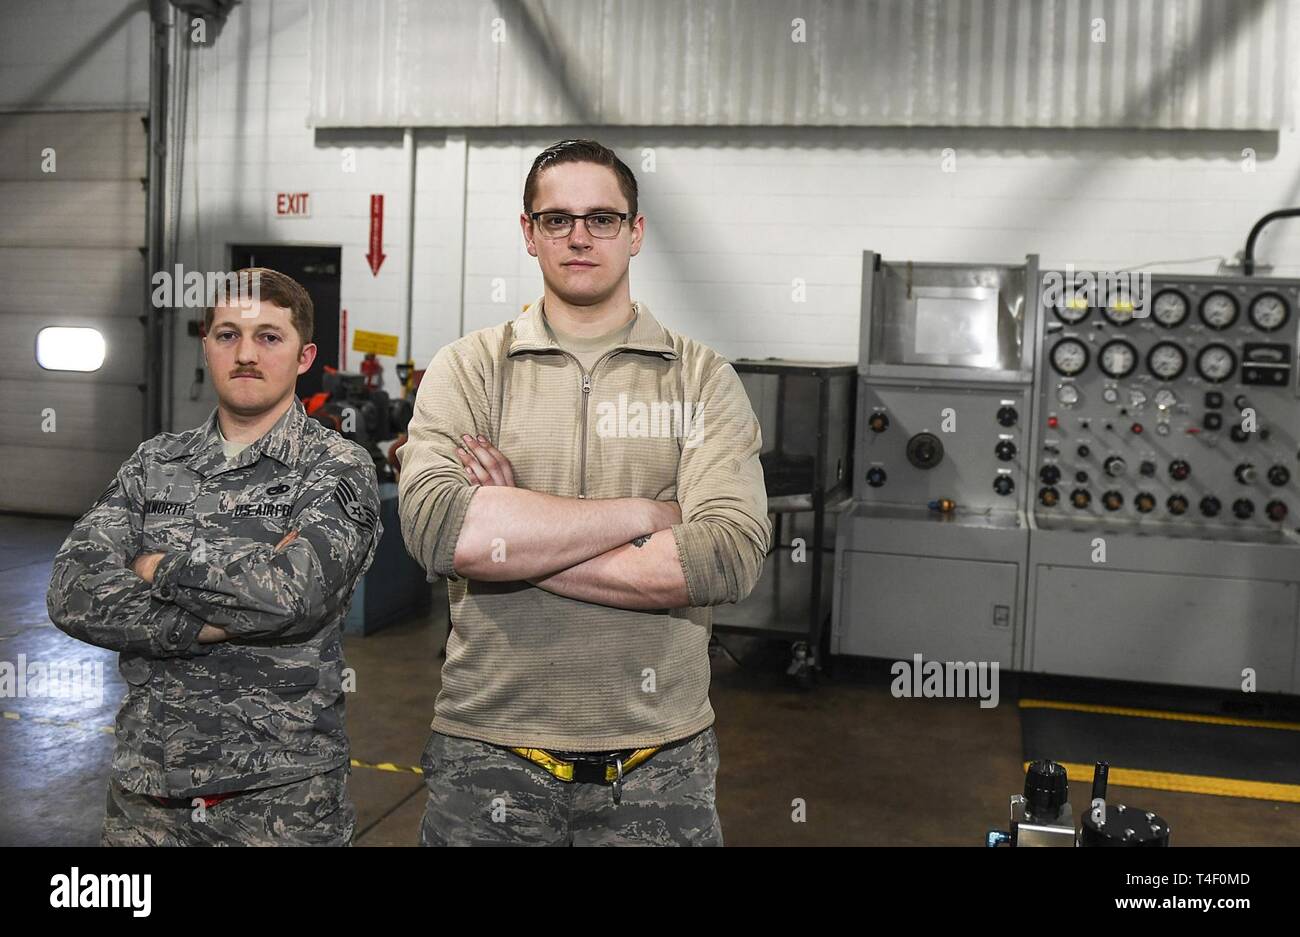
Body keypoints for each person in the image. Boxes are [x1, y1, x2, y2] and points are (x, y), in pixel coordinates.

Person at [398, 139, 771, 846]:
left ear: (635, 231)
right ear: (528, 232)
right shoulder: (470, 368)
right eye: (556, 218)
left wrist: (512, 533)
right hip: (487, 757)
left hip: (660, 764)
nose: (578, 235)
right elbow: (437, 530)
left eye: (602, 218)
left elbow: (725, 556)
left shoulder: (701, 378)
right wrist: (647, 517)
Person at [47, 267, 381, 846]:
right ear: (206, 346)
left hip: (280, 803)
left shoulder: (335, 466)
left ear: (305, 357)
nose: (246, 353)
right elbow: (70, 591)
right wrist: (207, 623)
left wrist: (155, 566)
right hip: (146, 800)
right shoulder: (155, 462)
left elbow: (293, 597)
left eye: (269, 337)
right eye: (228, 335)